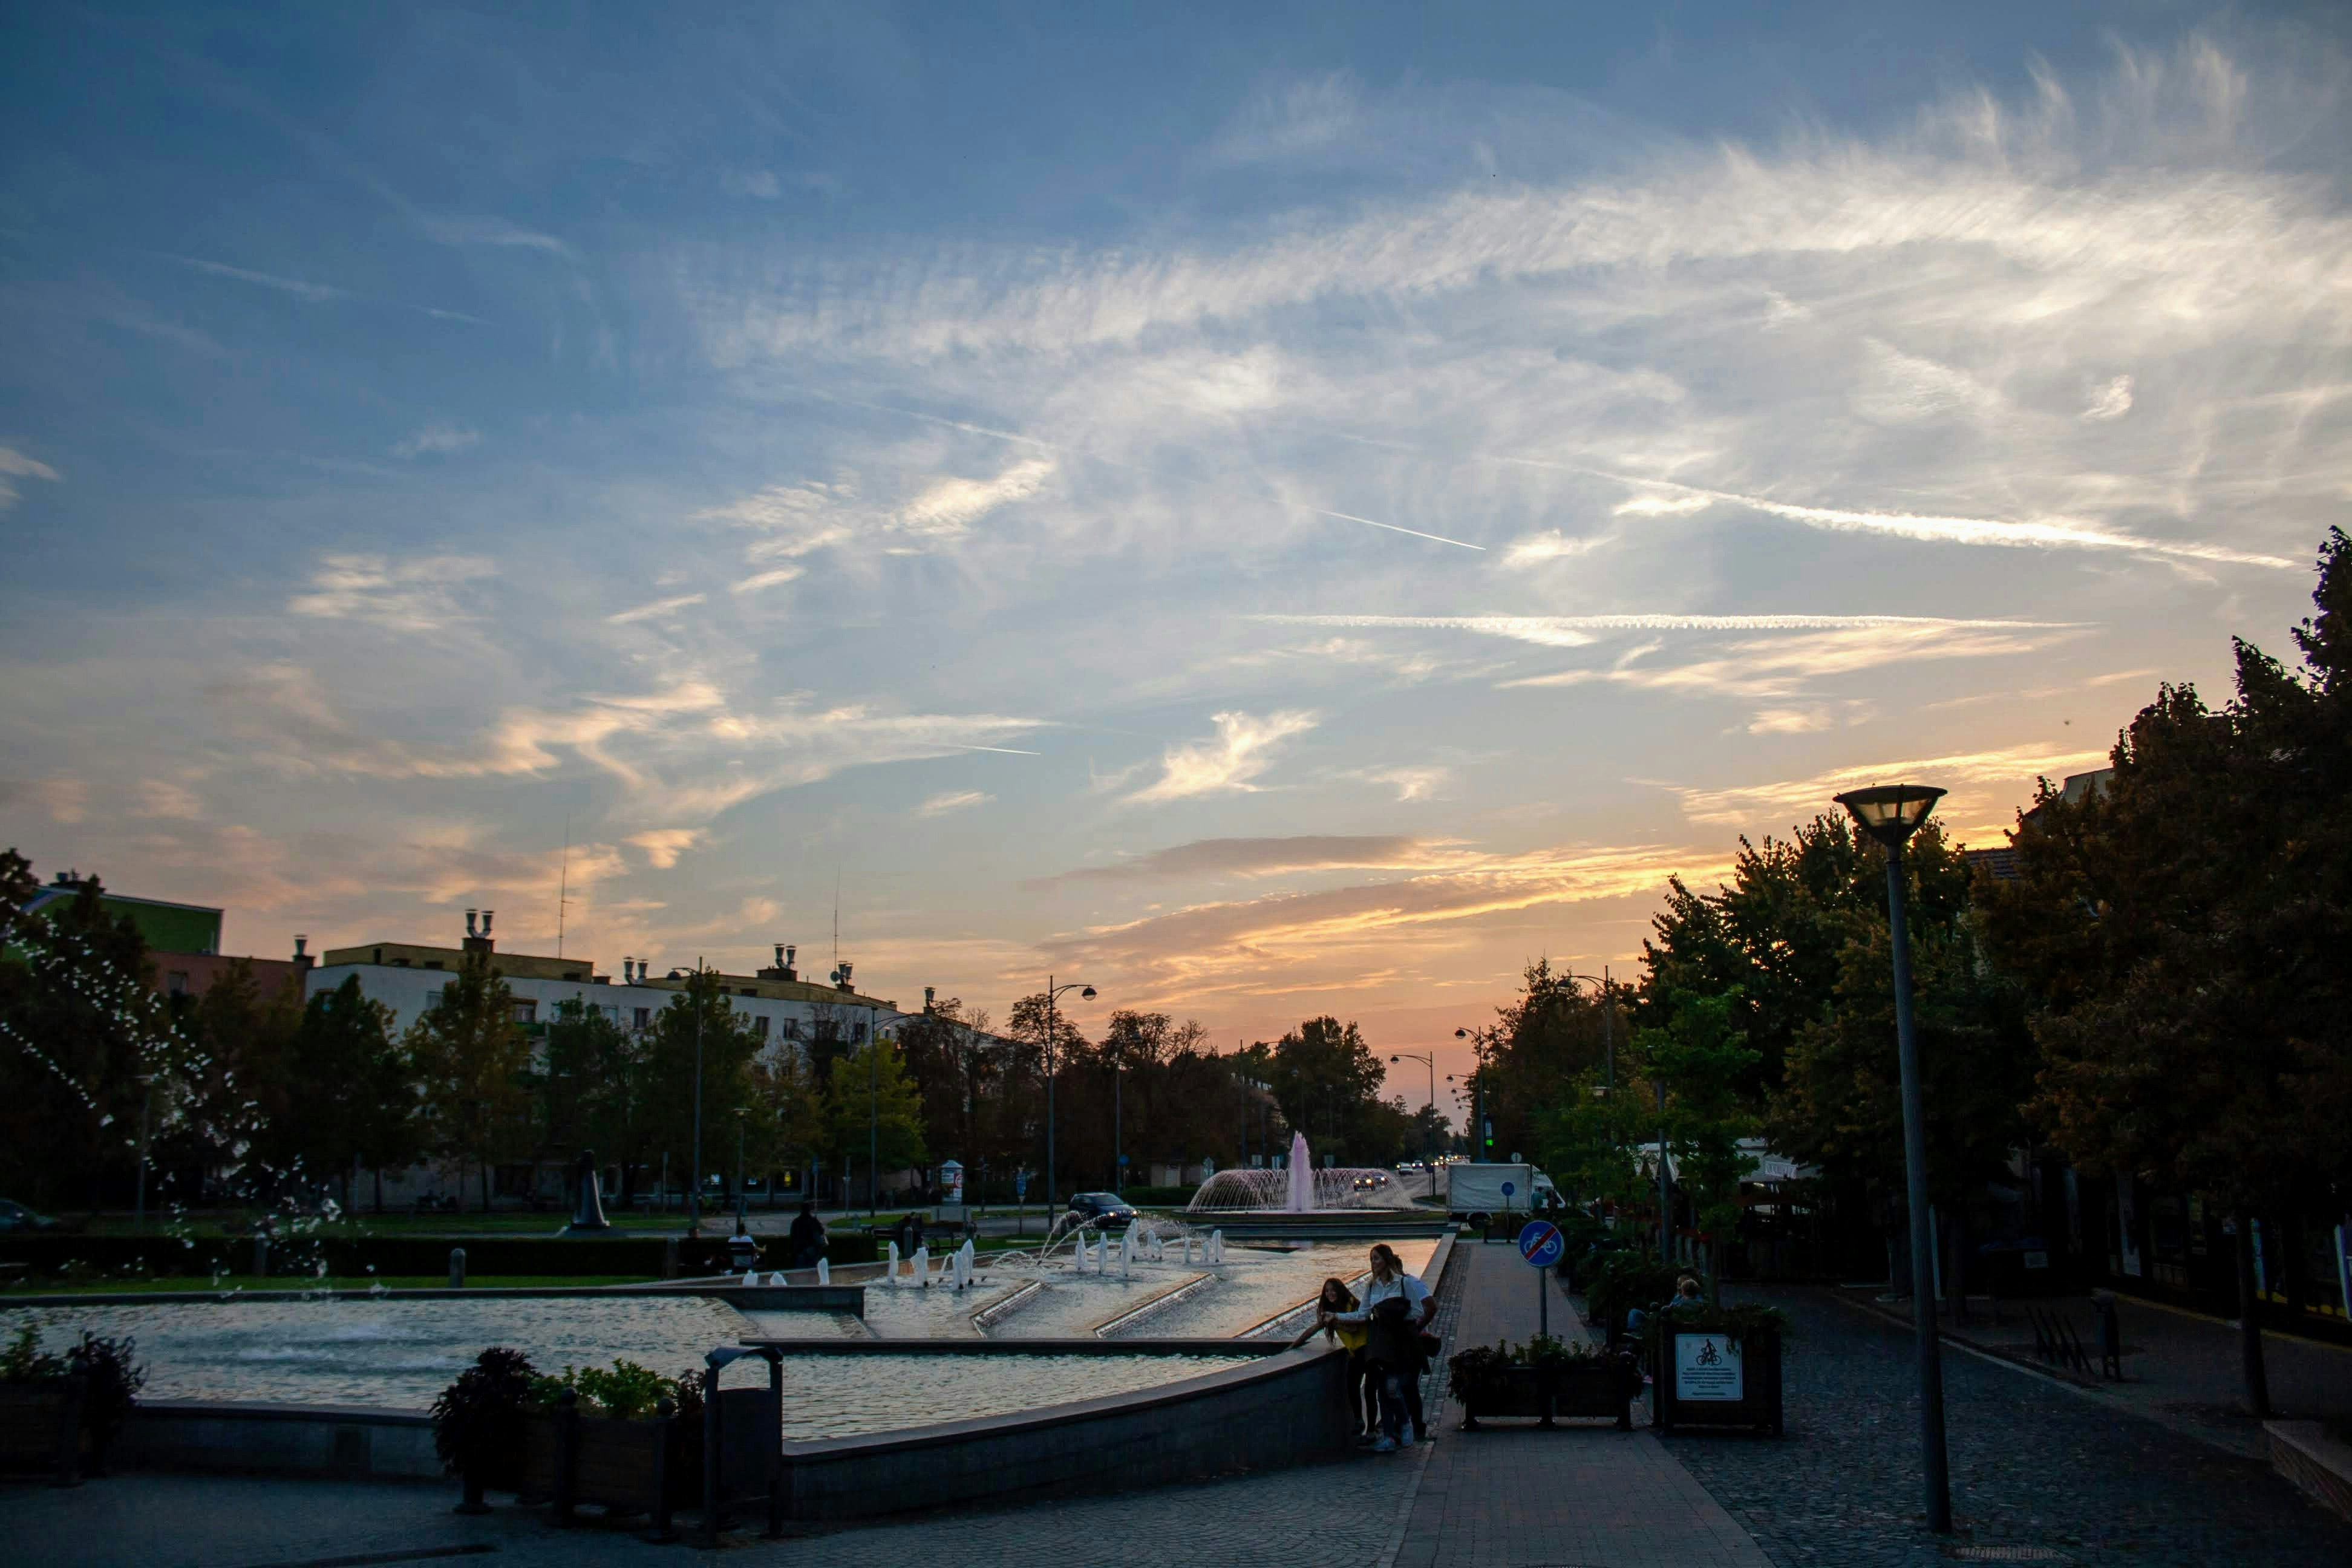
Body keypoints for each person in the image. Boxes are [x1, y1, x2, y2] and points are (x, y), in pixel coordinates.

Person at [1322, 1244, 1437, 1452]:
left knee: (1393, 1387)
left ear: (1386, 1260)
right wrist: (1336, 1316)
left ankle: (1405, 1422)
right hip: (1381, 1344)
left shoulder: (1403, 1283)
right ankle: (1389, 1437)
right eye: (1371, 1259)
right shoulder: (1372, 1286)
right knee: (1383, 1390)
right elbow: (1363, 1314)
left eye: (1376, 1259)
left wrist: (1393, 1315)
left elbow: (1418, 1310)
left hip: (1400, 1342)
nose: (1373, 1263)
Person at [1318, 1277, 1376, 1442]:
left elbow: (1354, 1327)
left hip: (1367, 1349)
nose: (1330, 1294)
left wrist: (1335, 1322)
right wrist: (1294, 1345)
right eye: (1327, 1291)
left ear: (1340, 1290)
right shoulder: (1330, 1311)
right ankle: (1359, 1420)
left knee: (1370, 1391)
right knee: (1352, 1387)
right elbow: (1313, 1329)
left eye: (1333, 1290)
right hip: (1354, 1353)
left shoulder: (1351, 1303)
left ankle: (1371, 1431)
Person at [788, 1200, 827, 1270]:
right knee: (813, 1273)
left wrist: (792, 1252)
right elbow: (822, 1232)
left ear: (801, 1210)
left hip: (800, 1251)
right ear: (809, 1210)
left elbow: (792, 1238)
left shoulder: (796, 1222)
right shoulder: (813, 1221)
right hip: (812, 1251)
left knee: (800, 1274)